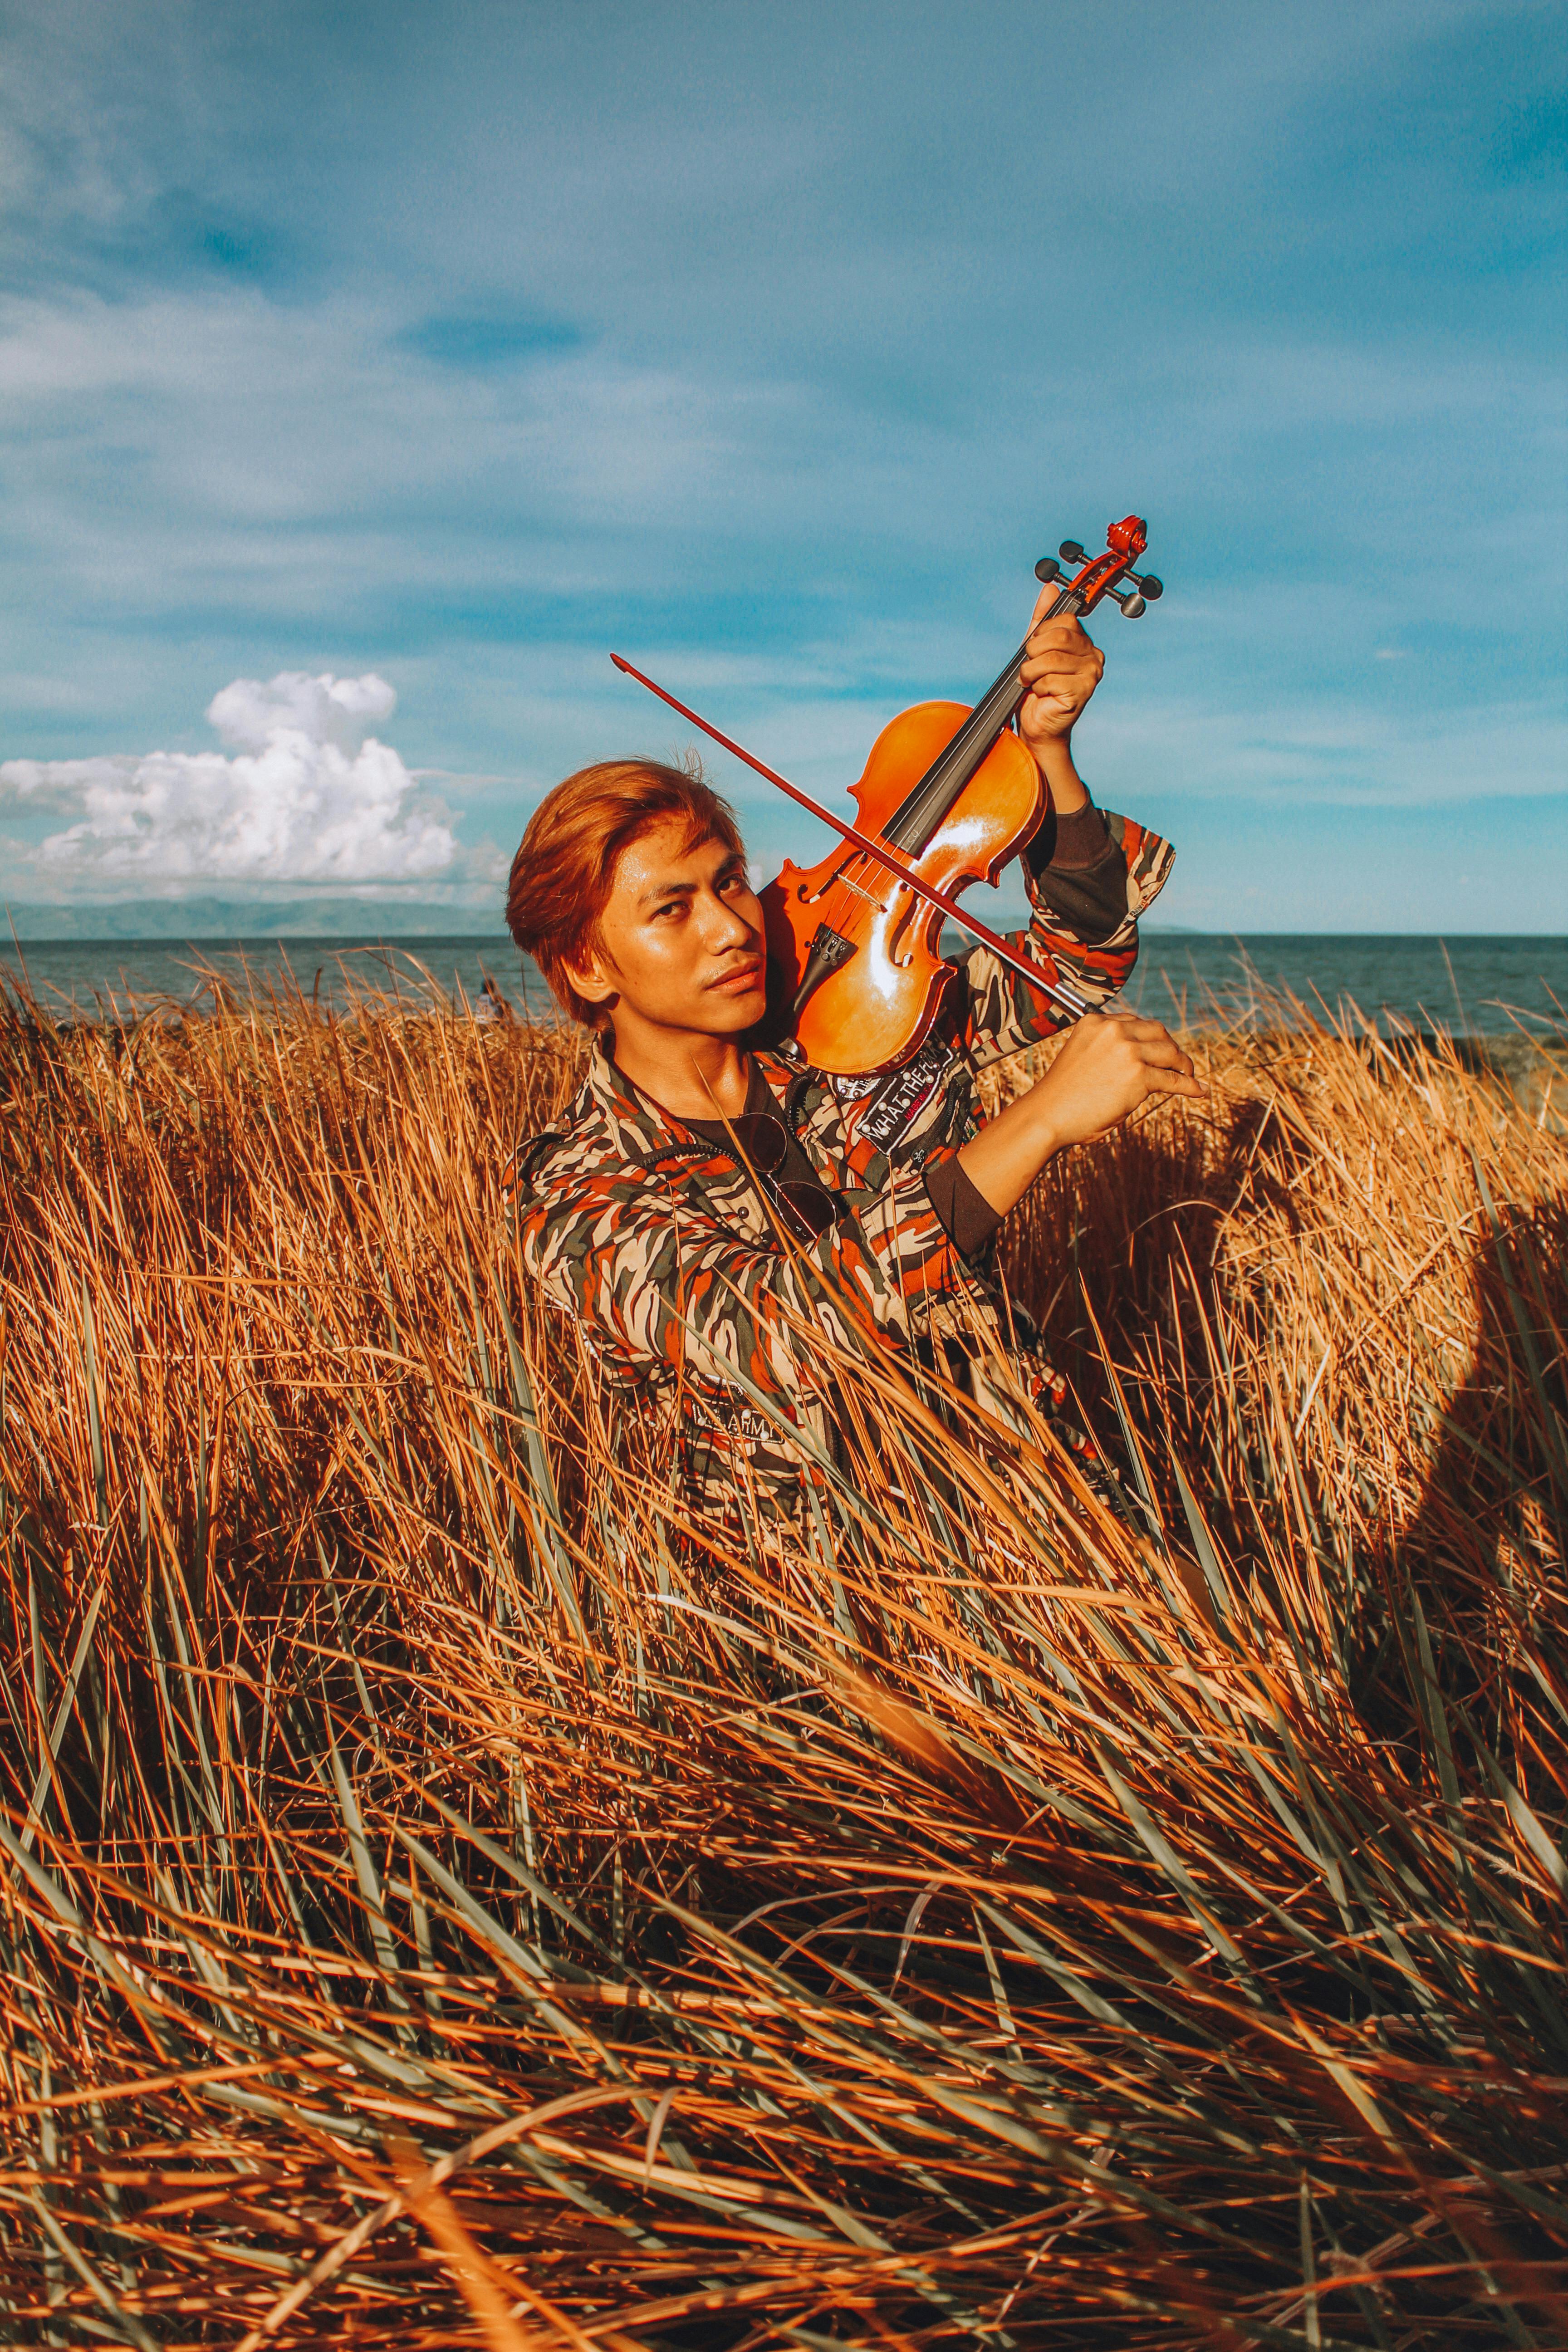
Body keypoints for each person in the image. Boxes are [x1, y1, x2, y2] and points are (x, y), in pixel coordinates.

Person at [505, 586, 1201, 1521]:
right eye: (673, 910)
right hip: (831, 1593)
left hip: (1036, 1490)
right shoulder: (578, 1188)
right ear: (588, 966)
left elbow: (1079, 965)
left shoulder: (852, 1009)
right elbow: (780, 1334)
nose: (731, 928)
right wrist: (1035, 1126)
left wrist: (1047, 759)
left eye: (730, 883)